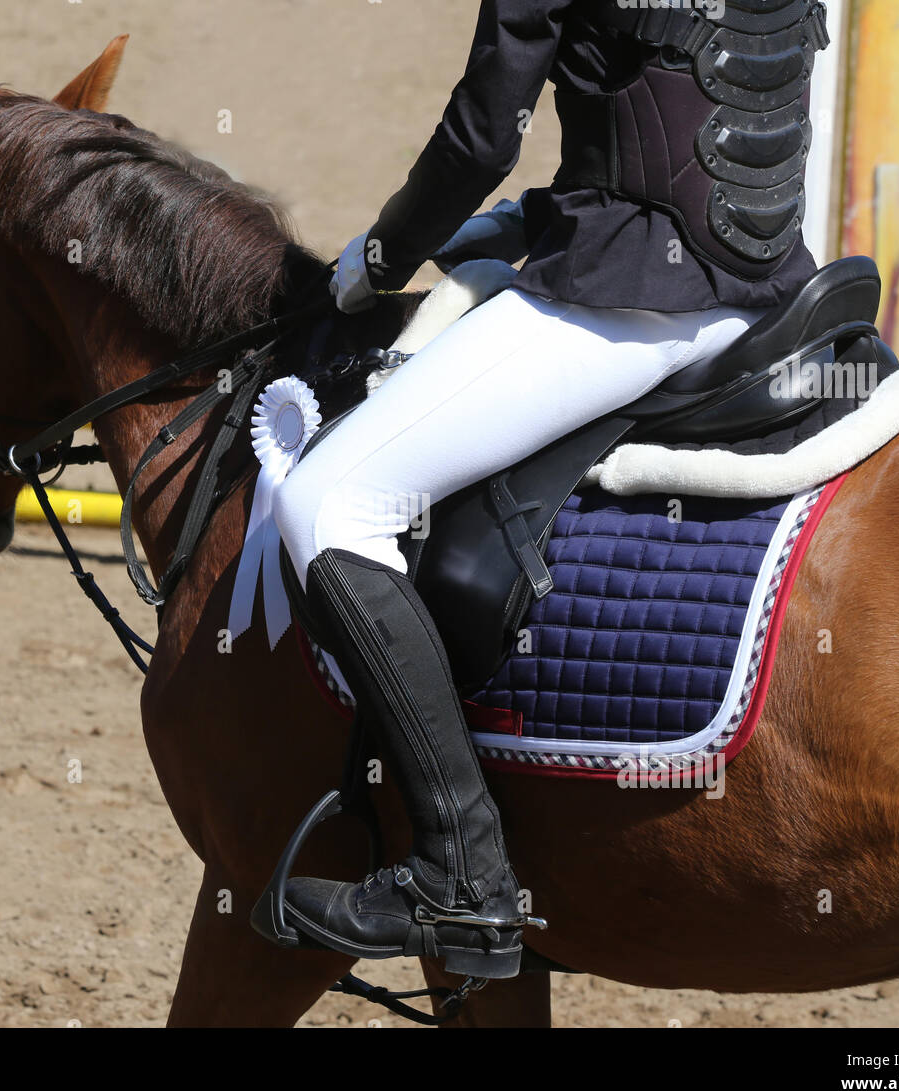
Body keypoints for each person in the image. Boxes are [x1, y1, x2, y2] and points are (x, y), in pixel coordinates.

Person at [270, 0, 830, 979]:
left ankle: (459, 872)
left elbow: (483, 133)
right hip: (780, 281)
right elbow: (712, 100)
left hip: (635, 296)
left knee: (328, 504)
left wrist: (377, 260)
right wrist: (541, 214)